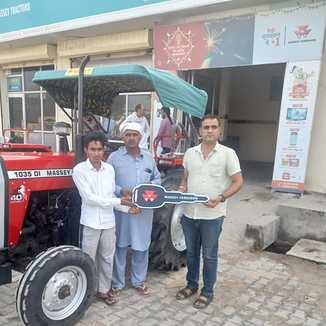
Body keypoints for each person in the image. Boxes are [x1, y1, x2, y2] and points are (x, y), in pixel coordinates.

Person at [176, 115, 243, 309]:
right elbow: (185, 178)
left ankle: (207, 292)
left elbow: (238, 181)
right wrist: (181, 188)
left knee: (209, 255)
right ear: (200, 131)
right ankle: (191, 285)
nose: (210, 130)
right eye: (206, 127)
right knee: (191, 254)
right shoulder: (190, 153)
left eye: (214, 127)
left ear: (219, 130)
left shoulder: (227, 154)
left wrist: (221, 197)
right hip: (190, 214)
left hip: (212, 216)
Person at [72, 131, 138, 305]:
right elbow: (89, 199)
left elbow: (109, 197)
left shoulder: (109, 169)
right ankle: (85, 294)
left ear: (104, 151)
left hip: (109, 222)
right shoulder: (79, 170)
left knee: (107, 258)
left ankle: (103, 291)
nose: (96, 153)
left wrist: (127, 208)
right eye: (92, 149)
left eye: (100, 149)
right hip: (90, 223)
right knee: (88, 259)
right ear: (86, 150)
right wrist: (119, 200)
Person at [107, 122, 161, 297]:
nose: (131, 138)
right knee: (120, 245)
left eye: (134, 135)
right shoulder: (114, 158)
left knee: (141, 246)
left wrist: (146, 191)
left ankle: (138, 281)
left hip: (143, 210)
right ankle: (117, 283)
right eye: (128, 134)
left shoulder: (148, 158)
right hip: (122, 210)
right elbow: (108, 182)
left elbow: (157, 179)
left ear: (140, 137)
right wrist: (121, 191)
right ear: (122, 137)